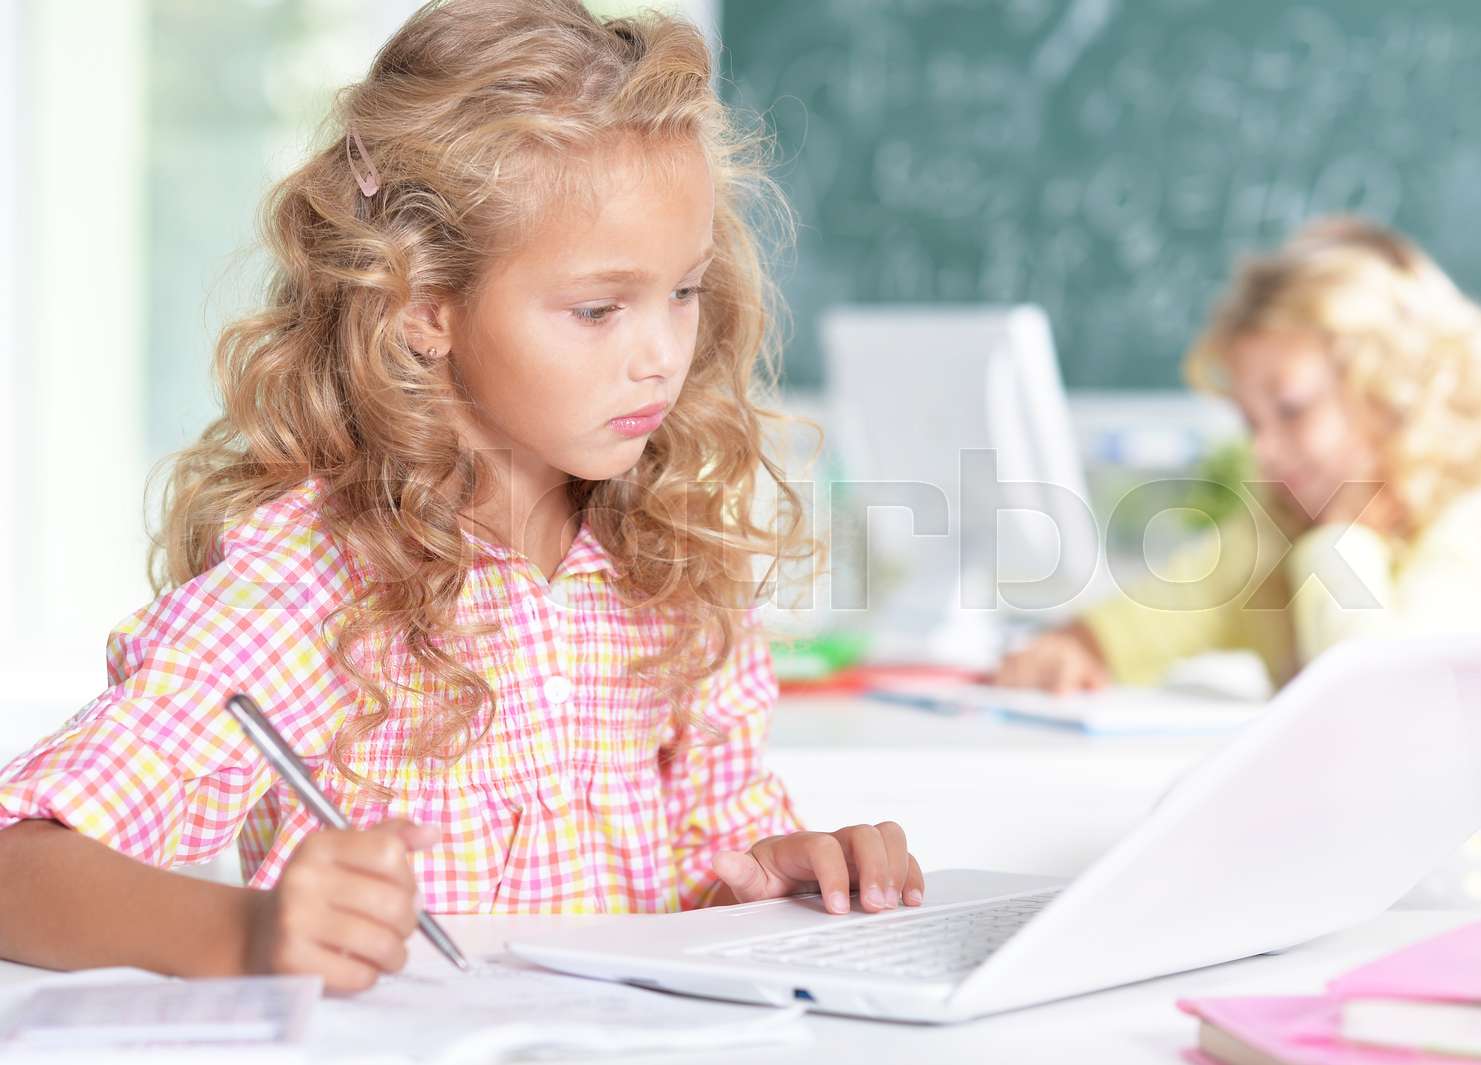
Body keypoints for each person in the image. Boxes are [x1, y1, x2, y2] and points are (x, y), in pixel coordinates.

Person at [0, 0, 921, 992]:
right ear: (424, 308)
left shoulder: (673, 566)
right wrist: (251, 934)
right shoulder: (309, 590)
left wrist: (772, 880)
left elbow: (710, 859)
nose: (661, 355)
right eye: (599, 309)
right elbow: (18, 863)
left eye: (684, 291)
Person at [998, 217, 1481, 695]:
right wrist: (1072, 647)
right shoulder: (1273, 532)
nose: (1265, 449)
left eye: (1292, 409)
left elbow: (1383, 702)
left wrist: (1339, 542)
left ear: (1390, 392)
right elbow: (1140, 623)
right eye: (1252, 421)